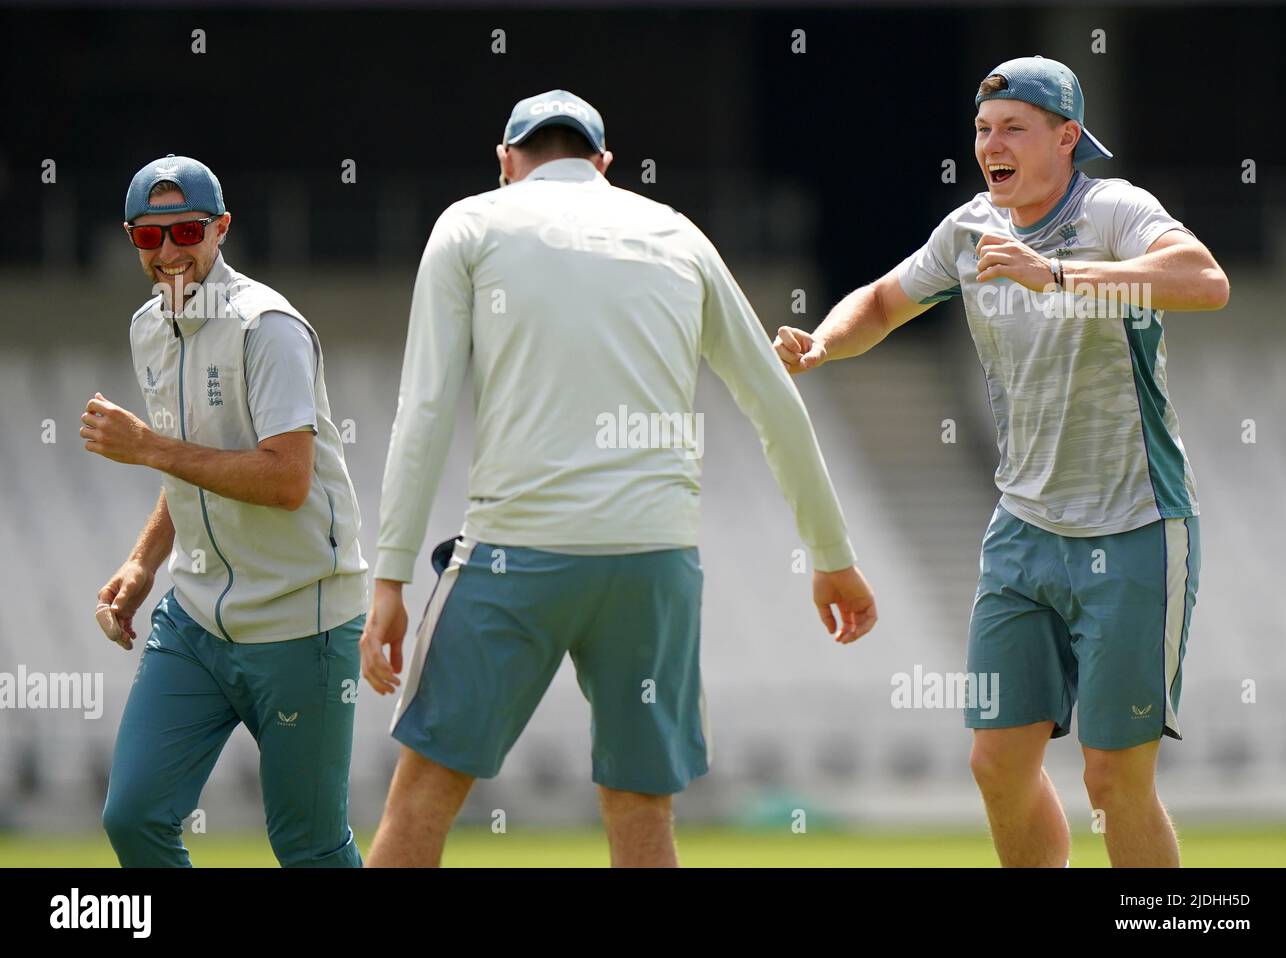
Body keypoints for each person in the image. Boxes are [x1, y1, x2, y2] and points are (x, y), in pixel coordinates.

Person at [360, 90, 878, 867]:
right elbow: (774, 400)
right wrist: (833, 557)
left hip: (516, 552)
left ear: (506, 160)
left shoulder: (469, 224)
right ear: (603, 163)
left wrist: (390, 578)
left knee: (422, 803)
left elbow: (424, 408)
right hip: (653, 561)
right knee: (643, 816)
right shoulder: (676, 232)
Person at [774, 57, 1230, 867]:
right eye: (983, 129)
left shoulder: (1115, 208)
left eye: (1014, 127)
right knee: (994, 763)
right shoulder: (968, 229)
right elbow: (882, 301)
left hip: (1135, 525)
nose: (993, 143)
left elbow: (1204, 281)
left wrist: (1056, 275)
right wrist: (824, 345)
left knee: (1112, 778)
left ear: (1066, 139)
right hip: (1022, 532)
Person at [84, 154, 369, 867]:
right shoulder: (148, 327)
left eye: (186, 230)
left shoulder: (266, 326)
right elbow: (194, 462)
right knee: (134, 817)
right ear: (131, 240)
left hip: (302, 617)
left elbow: (285, 482)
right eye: (150, 238)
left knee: (308, 847)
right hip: (198, 617)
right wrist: (143, 560)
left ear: (221, 229)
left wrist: (149, 448)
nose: (171, 251)